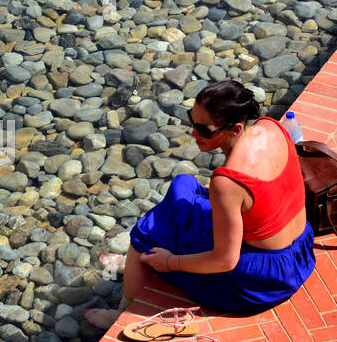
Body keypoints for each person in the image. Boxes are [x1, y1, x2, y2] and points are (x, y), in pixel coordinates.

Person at [87, 80, 315, 320]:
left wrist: (172, 262)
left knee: (146, 232)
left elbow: (226, 260)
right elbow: (271, 187)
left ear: (235, 129)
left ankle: (124, 314)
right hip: (299, 254)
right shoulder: (272, 127)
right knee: (183, 185)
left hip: (259, 282)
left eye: (204, 130)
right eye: (192, 122)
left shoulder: (228, 182)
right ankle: (140, 262)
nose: (194, 134)